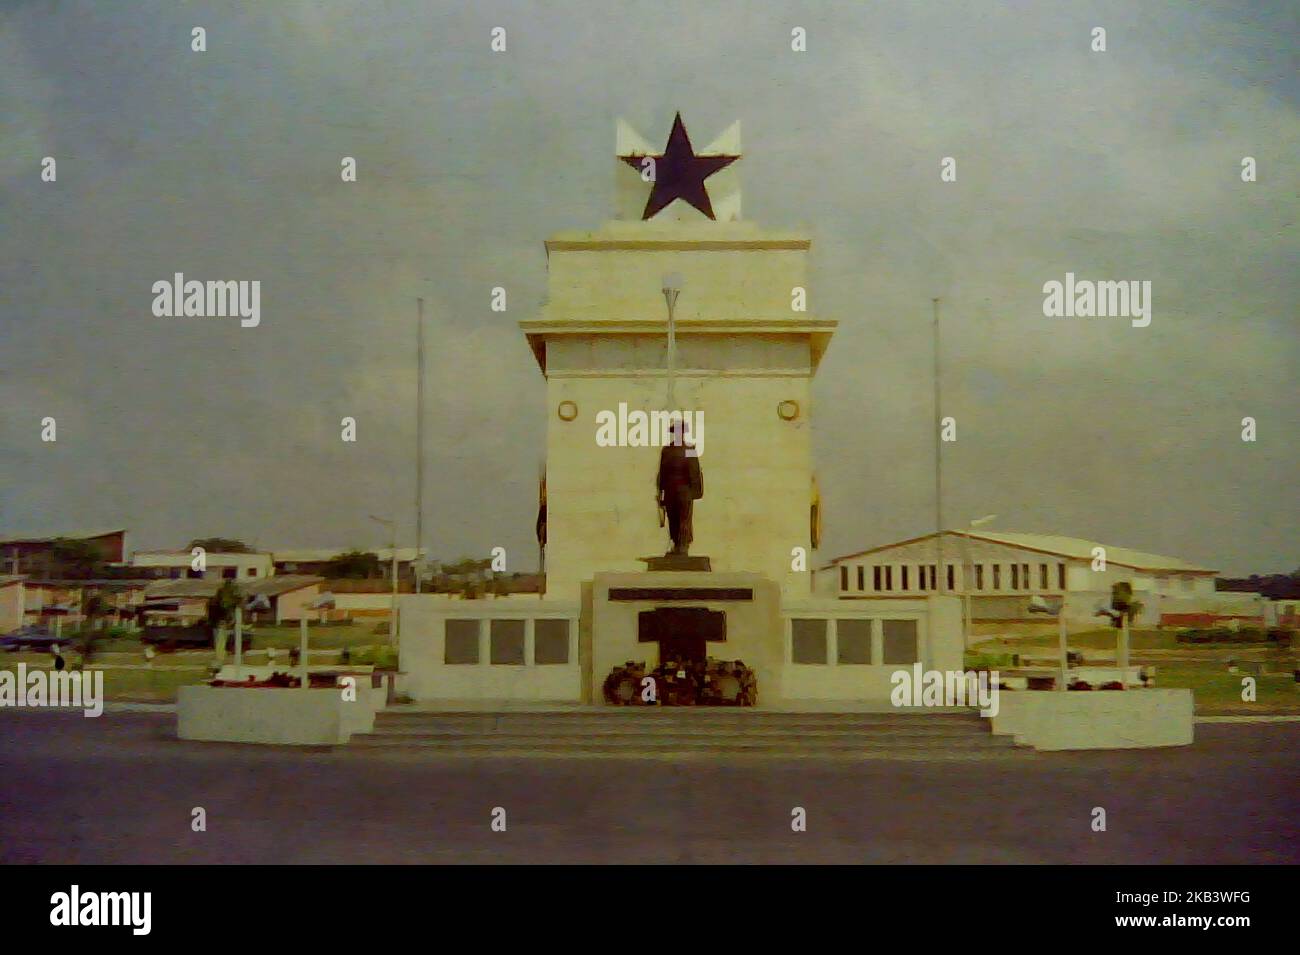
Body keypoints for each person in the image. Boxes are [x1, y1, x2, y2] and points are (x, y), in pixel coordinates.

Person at [656, 418, 704, 555]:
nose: (678, 434)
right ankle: (678, 545)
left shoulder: (686, 450)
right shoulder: (668, 451)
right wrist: (661, 493)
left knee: (683, 519)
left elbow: (694, 473)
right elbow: (662, 473)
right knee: (674, 519)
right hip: (674, 491)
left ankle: (682, 546)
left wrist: (695, 492)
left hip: (683, 491)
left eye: (680, 431)